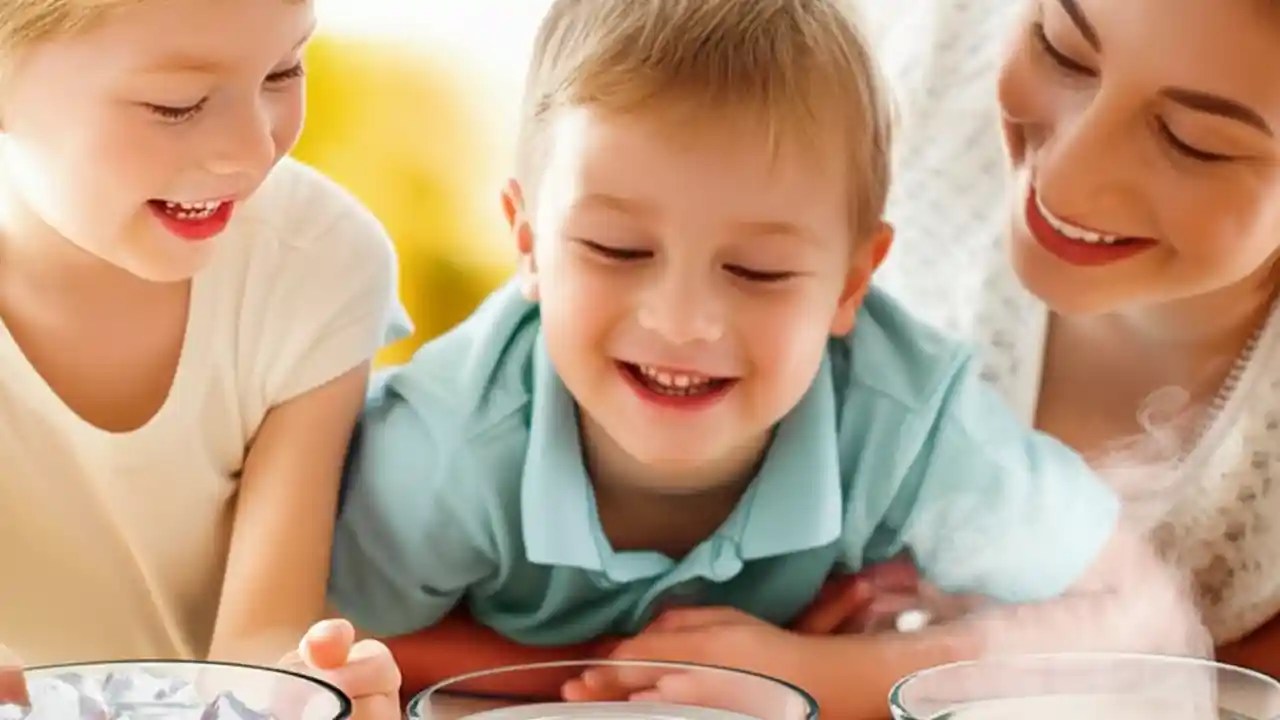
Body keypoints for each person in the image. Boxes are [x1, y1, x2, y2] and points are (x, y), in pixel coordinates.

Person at [328, 0, 1204, 716]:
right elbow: (333, 640)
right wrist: (605, 668)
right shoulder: (446, 444)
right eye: (616, 249)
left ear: (852, 283)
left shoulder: (903, 421)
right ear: (527, 240)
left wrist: (824, 676)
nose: (681, 320)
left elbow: (1143, 623)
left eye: (758, 271)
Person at [0, 0, 407, 714]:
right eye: (177, 105)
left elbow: (261, 644)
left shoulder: (318, 262)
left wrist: (306, 691)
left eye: (284, 70)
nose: (253, 151)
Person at [858, 0, 1280, 676]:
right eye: (1061, 49)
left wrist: (850, 675)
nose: (1065, 180)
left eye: (1193, 141)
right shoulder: (904, 82)